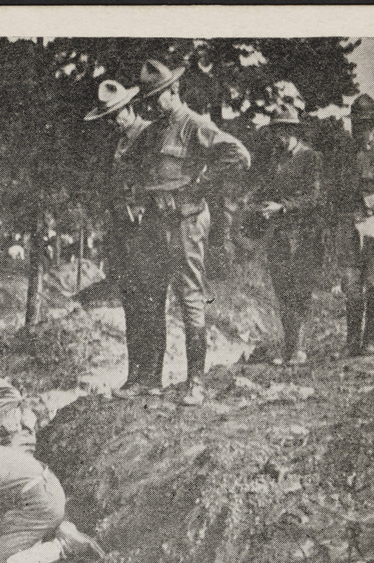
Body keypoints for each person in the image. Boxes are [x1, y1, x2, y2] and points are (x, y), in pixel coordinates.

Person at [135, 58, 251, 406]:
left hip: (187, 220)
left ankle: (196, 383)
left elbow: (239, 155)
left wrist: (200, 185)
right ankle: (151, 381)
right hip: (158, 222)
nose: (155, 103)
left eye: (159, 96)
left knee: (190, 298)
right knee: (153, 296)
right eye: (150, 98)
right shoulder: (156, 130)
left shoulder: (194, 124)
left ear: (175, 91)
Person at [83, 79, 167, 399]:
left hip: (151, 234)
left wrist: (144, 204)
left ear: (130, 108)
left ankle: (153, 378)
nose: (115, 120)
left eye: (118, 113)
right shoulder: (116, 144)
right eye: (110, 117)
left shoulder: (150, 135)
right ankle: (135, 376)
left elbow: (160, 177)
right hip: (125, 235)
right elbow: (111, 188)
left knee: (152, 304)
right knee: (132, 306)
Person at [247, 105, 325, 365]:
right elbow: (266, 190)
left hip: (304, 234)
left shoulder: (311, 157)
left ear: (293, 131)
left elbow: (314, 197)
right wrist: (256, 204)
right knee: (282, 289)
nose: (277, 136)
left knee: (299, 289)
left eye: (281, 131)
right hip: (279, 233)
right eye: (274, 131)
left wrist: (282, 206)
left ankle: (298, 349)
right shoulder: (275, 159)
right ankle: (288, 348)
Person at [330, 94, 374, 356]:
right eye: (355, 123)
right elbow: (334, 189)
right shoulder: (344, 152)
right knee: (351, 283)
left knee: (373, 283)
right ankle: (352, 342)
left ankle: (371, 338)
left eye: (363, 124)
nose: (357, 128)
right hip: (348, 222)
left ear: (372, 123)